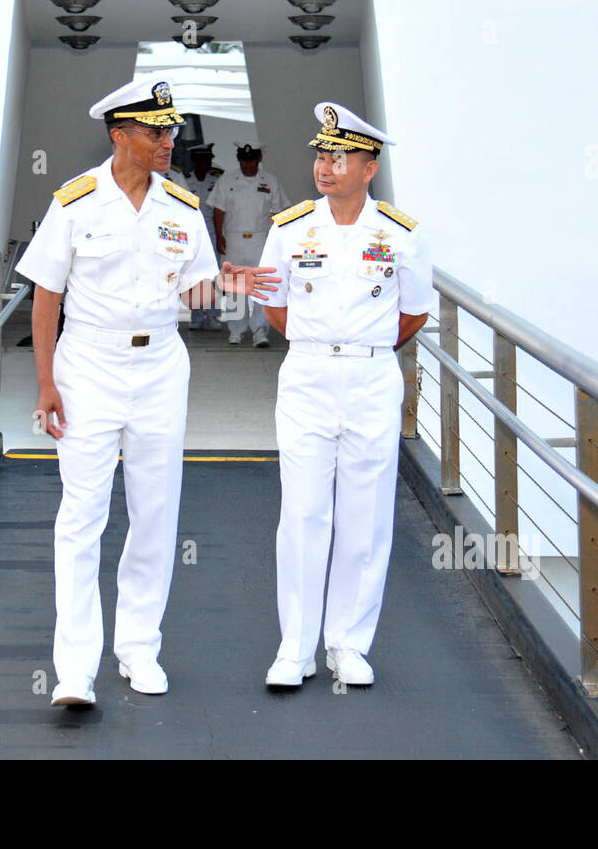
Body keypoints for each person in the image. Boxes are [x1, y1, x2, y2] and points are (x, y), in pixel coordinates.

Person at [14, 74, 279, 707]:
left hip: (160, 364)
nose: (168, 141)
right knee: (82, 517)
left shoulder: (180, 208)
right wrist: (46, 382)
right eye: (156, 131)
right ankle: (75, 670)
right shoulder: (75, 202)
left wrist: (232, 284)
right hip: (87, 367)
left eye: (169, 131)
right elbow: (46, 296)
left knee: (155, 513)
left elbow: (192, 293)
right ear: (119, 134)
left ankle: (138, 648)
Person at [253, 102, 433, 689]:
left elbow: (413, 313)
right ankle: (295, 647)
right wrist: (319, 345)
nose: (325, 166)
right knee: (303, 510)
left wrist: (365, 349)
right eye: (321, 155)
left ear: (369, 166)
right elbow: (275, 307)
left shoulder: (401, 234)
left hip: (373, 378)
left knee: (367, 514)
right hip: (306, 375)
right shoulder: (290, 227)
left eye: (340, 156)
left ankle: (349, 644)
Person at [211, 144, 292, 347]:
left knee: (261, 284)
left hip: (261, 240)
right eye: (244, 160)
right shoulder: (227, 180)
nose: (248, 164)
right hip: (234, 239)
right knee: (234, 285)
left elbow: (280, 213)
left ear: (260, 159)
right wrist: (220, 236)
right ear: (239, 160)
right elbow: (219, 210)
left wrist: (277, 241)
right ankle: (236, 330)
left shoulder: (270, 181)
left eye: (252, 159)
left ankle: (260, 330)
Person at [184, 145, 223, 331]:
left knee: (213, 275)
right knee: (193, 275)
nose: (204, 164)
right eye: (201, 161)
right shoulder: (185, 180)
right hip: (192, 232)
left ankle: (214, 315)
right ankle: (197, 315)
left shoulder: (216, 181)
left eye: (207, 161)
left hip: (212, 232)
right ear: (194, 161)